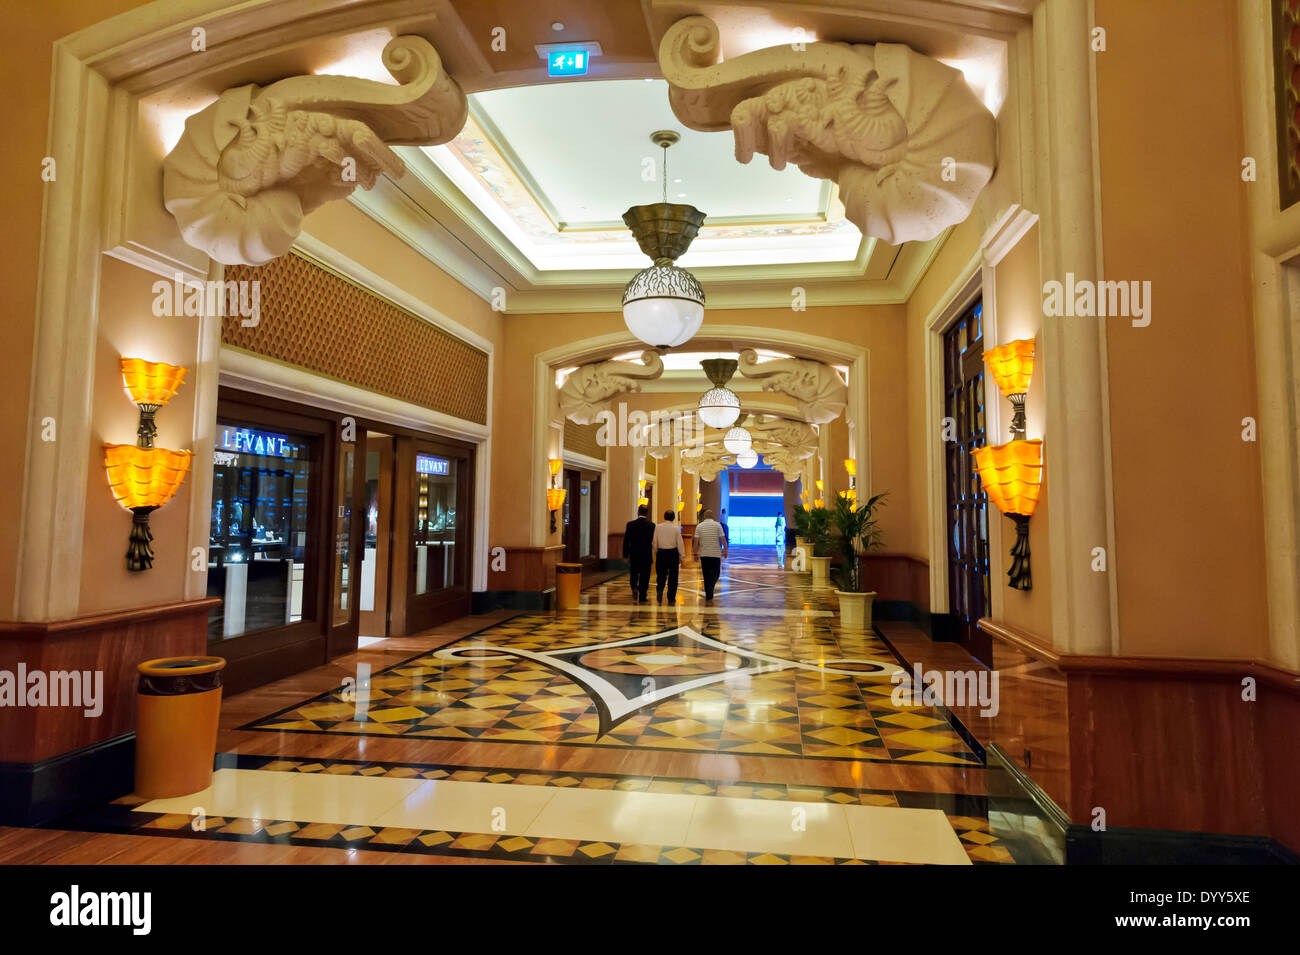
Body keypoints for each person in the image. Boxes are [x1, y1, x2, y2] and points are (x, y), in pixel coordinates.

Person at [622, 504, 655, 603]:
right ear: (647, 513)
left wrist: (625, 554)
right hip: (646, 554)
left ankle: (634, 588)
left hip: (634, 553)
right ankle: (643, 596)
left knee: (634, 573)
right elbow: (653, 541)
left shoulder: (630, 524)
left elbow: (626, 540)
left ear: (638, 512)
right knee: (645, 575)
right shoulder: (651, 525)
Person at [694, 508, 728, 603]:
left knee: (706, 575)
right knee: (716, 574)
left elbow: (696, 542)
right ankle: (710, 590)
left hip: (704, 555)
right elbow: (723, 539)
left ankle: (709, 593)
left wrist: (695, 553)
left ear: (704, 517)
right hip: (715, 555)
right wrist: (725, 550)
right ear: (712, 516)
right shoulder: (717, 525)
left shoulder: (699, 526)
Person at [653, 509, 686, 604]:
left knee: (661, 574)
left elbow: (654, 541)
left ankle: (659, 590)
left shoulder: (658, 527)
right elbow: (680, 543)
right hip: (673, 554)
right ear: (674, 518)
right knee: (673, 576)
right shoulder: (675, 528)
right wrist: (682, 556)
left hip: (661, 553)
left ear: (664, 517)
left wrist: (656, 551)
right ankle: (671, 598)